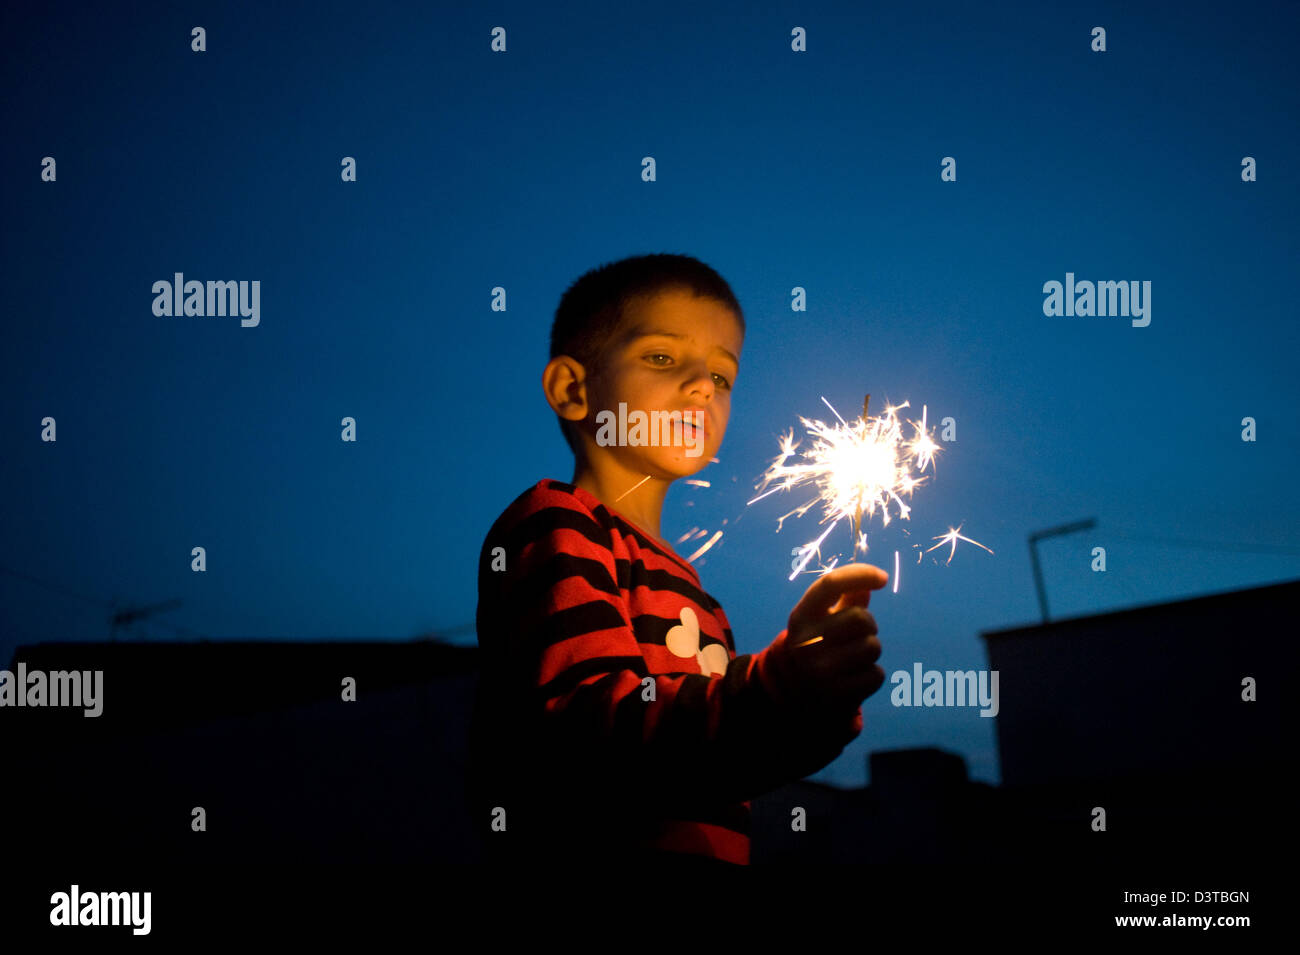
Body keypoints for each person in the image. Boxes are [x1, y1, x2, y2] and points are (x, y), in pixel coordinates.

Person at [466, 252, 888, 865]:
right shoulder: (557, 525)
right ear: (573, 389)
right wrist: (774, 688)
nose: (701, 387)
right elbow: (590, 733)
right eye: (662, 357)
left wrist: (815, 701)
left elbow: (724, 759)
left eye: (722, 376)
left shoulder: (701, 599)